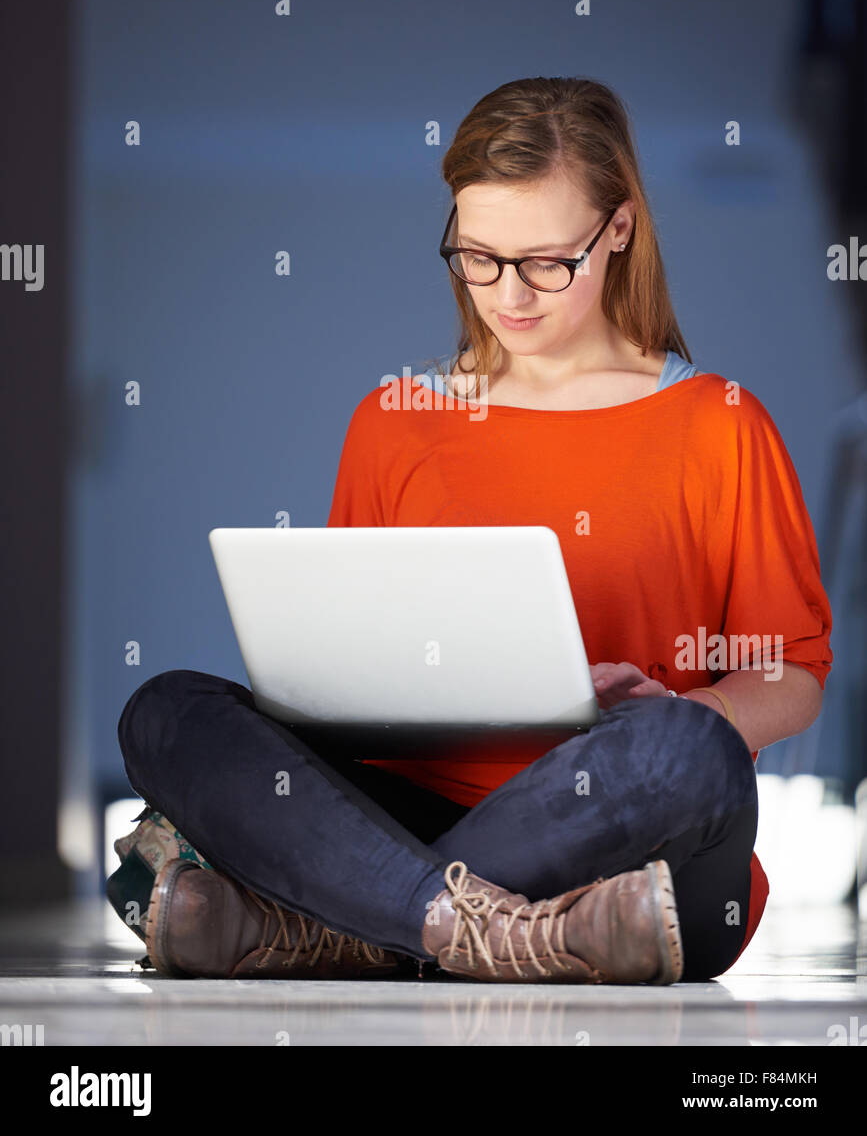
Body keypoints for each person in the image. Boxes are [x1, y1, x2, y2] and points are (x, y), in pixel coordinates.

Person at [111, 76, 831, 984]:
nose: (508, 296)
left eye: (544, 263)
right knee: (167, 713)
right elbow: (333, 666)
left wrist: (695, 706)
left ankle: (343, 923)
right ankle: (476, 928)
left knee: (690, 752)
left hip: (621, 835)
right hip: (405, 817)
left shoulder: (719, 425)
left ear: (618, 228)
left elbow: (794, 676)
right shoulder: (394, 417)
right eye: (477, 257)